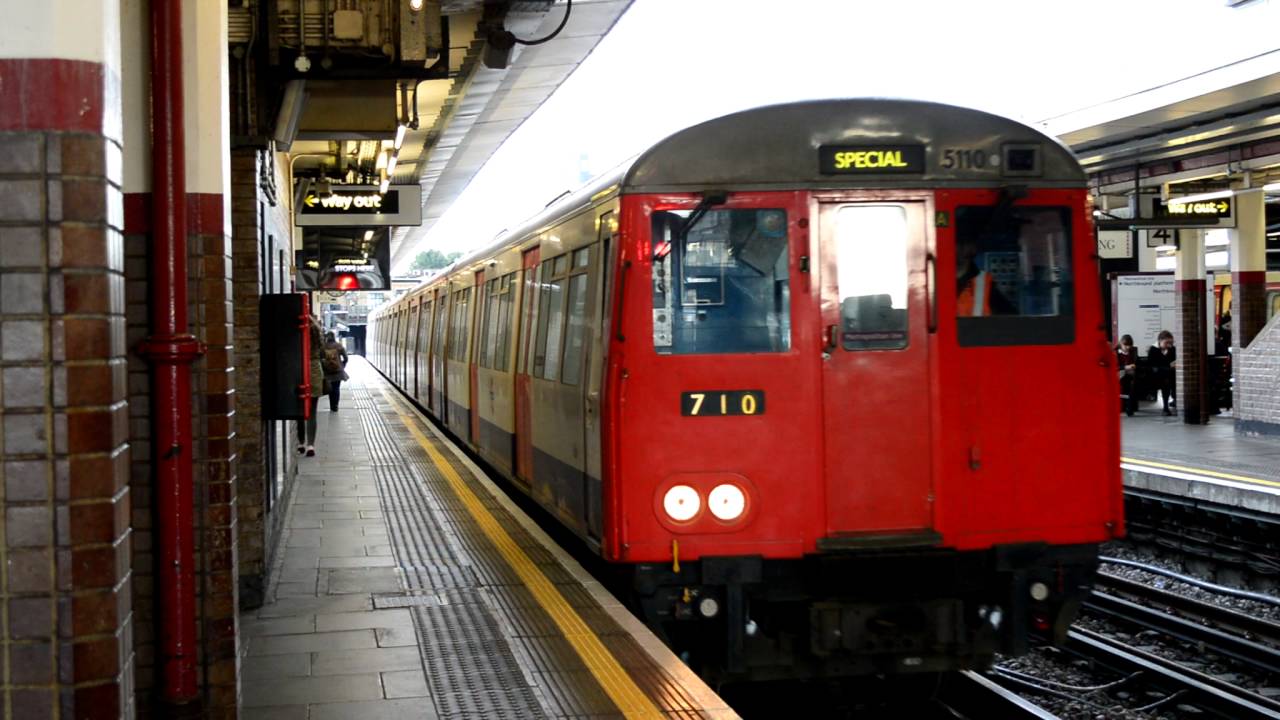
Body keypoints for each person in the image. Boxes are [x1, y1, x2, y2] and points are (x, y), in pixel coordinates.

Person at [956, 236, 1016, 316]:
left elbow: (1011, 318)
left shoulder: (984, 283)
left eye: (960, 243)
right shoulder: (936, 279)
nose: (955, 248)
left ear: (972, 248)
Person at [297, 316, 325, 456]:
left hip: (299, 368)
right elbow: (322, 352)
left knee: (300, 410)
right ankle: (311, 445)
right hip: (314, 370)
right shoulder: (316, 330)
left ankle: (301, 442)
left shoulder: (297, 330)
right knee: (312, 411)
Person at [1147, 329, 1178, 416]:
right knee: (1166, 382)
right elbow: (1153, 367)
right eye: (1167, 342)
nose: (1169, 345)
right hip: (1156, 375)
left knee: (1175, 379)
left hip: (1170, 373)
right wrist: (1169, 366)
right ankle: (1165, 408)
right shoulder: (1153, 350)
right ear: (1160, 341)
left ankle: (1176, 400)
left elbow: (1174, 361)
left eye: (1171, 343)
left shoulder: (1172, 349)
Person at [322, 331, 349, 411]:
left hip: (327, 371)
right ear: (334, 337)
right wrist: (342, 365)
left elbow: (320, 358)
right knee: (336, 388)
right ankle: (335, 406)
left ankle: (331, 406)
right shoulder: (339, 346)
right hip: (338, 371)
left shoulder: (323, 347)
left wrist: (324, 366)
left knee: (330, 389)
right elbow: (346, 358)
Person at [1116, 334, 1139, 416]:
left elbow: (1136, 363)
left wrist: (1133, 367)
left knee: (1133, 382)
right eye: (1125, 345)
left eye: (1129, 345)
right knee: (1127, 381)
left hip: (1130, 374)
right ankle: (1127, 407)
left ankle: (1130, 407)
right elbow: (1115, 366)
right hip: (1119, 374)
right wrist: (1125, 367)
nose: (1128, 347)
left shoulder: (1133, 351)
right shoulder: (1115, 352)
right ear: (1121, 344)